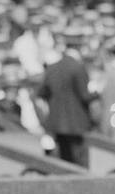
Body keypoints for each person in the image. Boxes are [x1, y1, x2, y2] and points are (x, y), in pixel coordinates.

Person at [36, 29, 94, 167]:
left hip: (57, 123)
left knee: (63, 161)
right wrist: (97, 93)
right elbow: (85, 96)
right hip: (76, 123)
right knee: (79, 163)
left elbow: (41, 93)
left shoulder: (53, 67)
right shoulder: (78, 68)